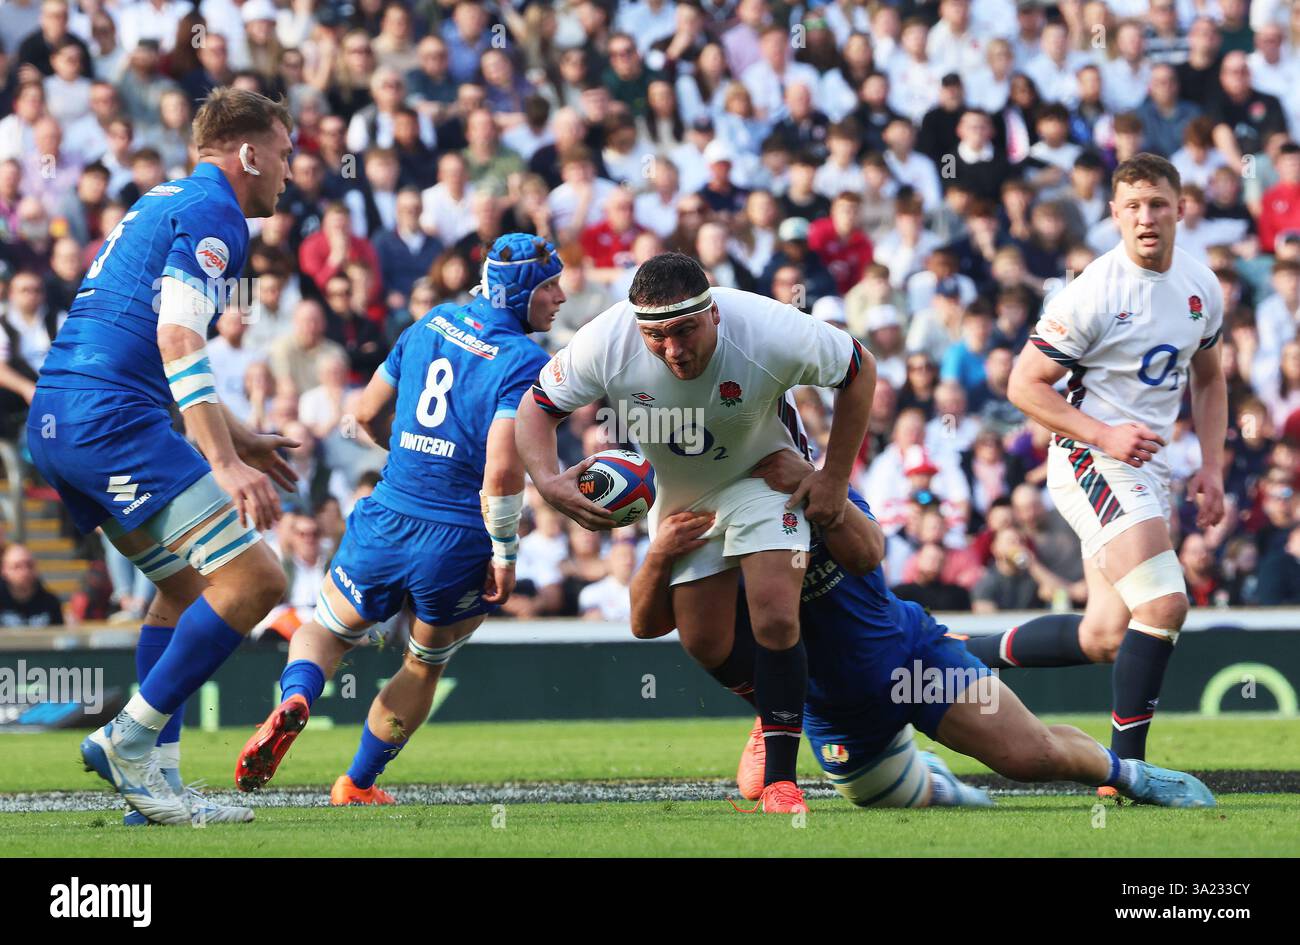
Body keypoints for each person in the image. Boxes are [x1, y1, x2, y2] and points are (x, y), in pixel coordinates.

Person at [630, 449, 1215, 811]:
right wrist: (658, 556)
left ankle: (1135, 775)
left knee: (1028, 755)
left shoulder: (815, 486)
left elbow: (868, 554)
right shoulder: (699, 531)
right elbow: (646, 625)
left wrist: (817, 486)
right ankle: (938, 780)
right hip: (835, 712)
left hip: (916, 663)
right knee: (925, 800)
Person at [516, 252, 876, 814]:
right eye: (657, 337)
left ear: (712, 312)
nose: (673, 350)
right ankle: (773, 713)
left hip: (765, 472)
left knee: (775, 614)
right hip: (680, 493)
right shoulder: (603, 342)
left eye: (685, 331)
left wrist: (833, 477)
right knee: (705, 642)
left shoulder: (767, 327)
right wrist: (546, 482)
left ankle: (782, 783)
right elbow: (535, 408)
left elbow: (859, 369)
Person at [30, 88, 298, 826]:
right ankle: (129, 737)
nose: (289, 170)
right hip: (110, 417)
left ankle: (158, 790)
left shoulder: (164, 198)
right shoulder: (218, 211)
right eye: (283, 152)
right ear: (247, 153)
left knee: (181, 589)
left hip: (60, 413)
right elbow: (180, 338)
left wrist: (235, 432)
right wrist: (223, 460)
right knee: (256, 578)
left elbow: (144, 333)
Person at [235, 234, 565, 805]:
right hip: (458, 536)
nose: (560, 297)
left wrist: (416, 459)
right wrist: (506, 554)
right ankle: (357, 783)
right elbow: (502, 474)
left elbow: (362, 413)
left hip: (388, 513)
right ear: (519, 295)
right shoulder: (527, 361)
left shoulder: (431, 322)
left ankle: (298, 699)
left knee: (326, 632)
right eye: (550, 285)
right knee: (423, 663)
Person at [966, 153, 1228, 798]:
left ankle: (949, 652)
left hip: (1147, 465)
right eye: (1133, 206)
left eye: (1158, 204)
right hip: (1091, 455)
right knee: (1165, 602)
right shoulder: (1091, 292)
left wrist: (1215, 467)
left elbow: (1211, 376)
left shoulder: (1203, 286)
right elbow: (1023, 383)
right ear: (1114, 215)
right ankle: (1126, 774)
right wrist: (1104, 433)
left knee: (1107, 633)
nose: (1146, 217)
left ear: (1180, 208)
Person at [0, 543, 64, 627]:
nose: (25, 572)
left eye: (29, 565)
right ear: (4, 570)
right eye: (17, 566)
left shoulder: (50, 602)